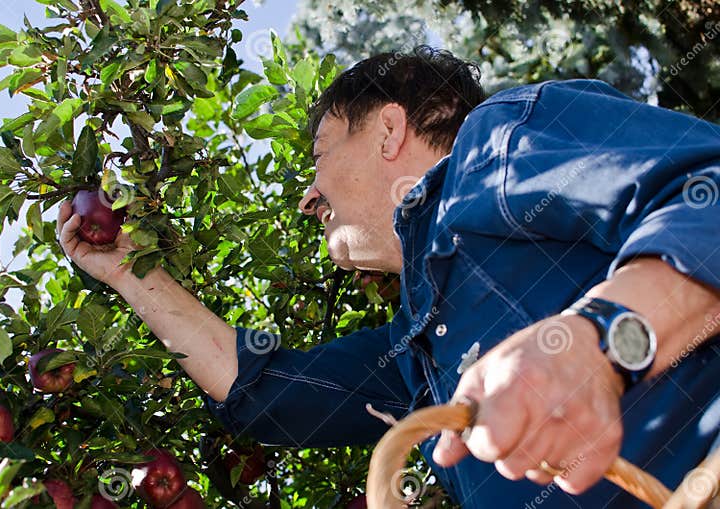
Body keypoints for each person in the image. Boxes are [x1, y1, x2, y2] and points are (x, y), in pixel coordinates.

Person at [57, 46, 720, 508]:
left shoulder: (494, 151)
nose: (307, 197)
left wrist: (603, 343)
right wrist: (126, 273)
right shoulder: (414, 352)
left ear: (388, 129)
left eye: (319, 156)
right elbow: (261, 393)